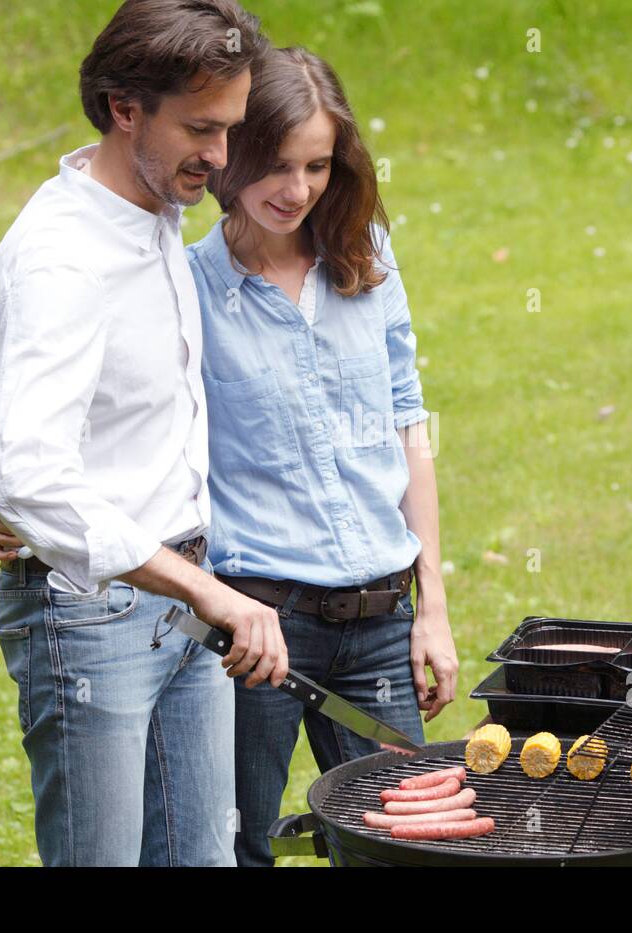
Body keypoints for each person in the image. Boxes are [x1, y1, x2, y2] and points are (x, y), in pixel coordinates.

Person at [0, 0, 288, 867]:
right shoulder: (62, 258)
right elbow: (28, 474)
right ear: (124, 108)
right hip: (89, 618)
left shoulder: (153, 208)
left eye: (228, 128)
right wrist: (211, 595)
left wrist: (198, 588)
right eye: (200, 129)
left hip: (181, 595)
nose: (220, 157)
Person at [188, 46, 459, 866]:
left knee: (409, 847)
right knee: (239, 846)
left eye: (316, 166)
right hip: (258, 627)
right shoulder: (189, 285)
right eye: (274, 164)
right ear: (229, 149)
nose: (296, 190)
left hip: (381, 618)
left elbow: (409, 423)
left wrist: (433, 607)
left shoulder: (365, 254)